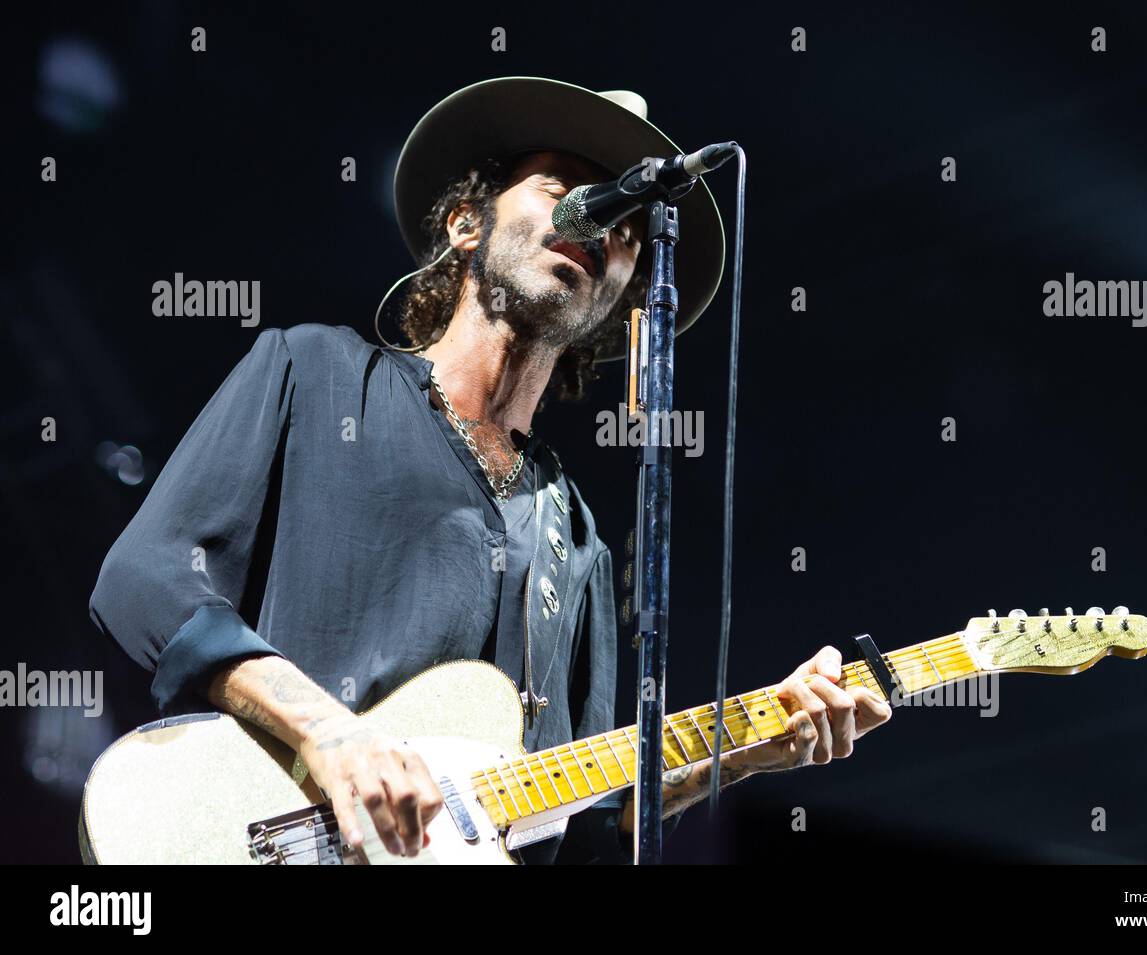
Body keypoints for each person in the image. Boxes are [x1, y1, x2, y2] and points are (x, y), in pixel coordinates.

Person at [89, 77, 890, 864]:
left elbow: (580, 823)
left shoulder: (575, 539)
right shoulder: (312, 370)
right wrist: (329, 732)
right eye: (562, 188)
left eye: (625, 223)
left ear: (619, 295)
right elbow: (145, 575)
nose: (598, 219)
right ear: (468, 223)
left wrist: (744, 750)